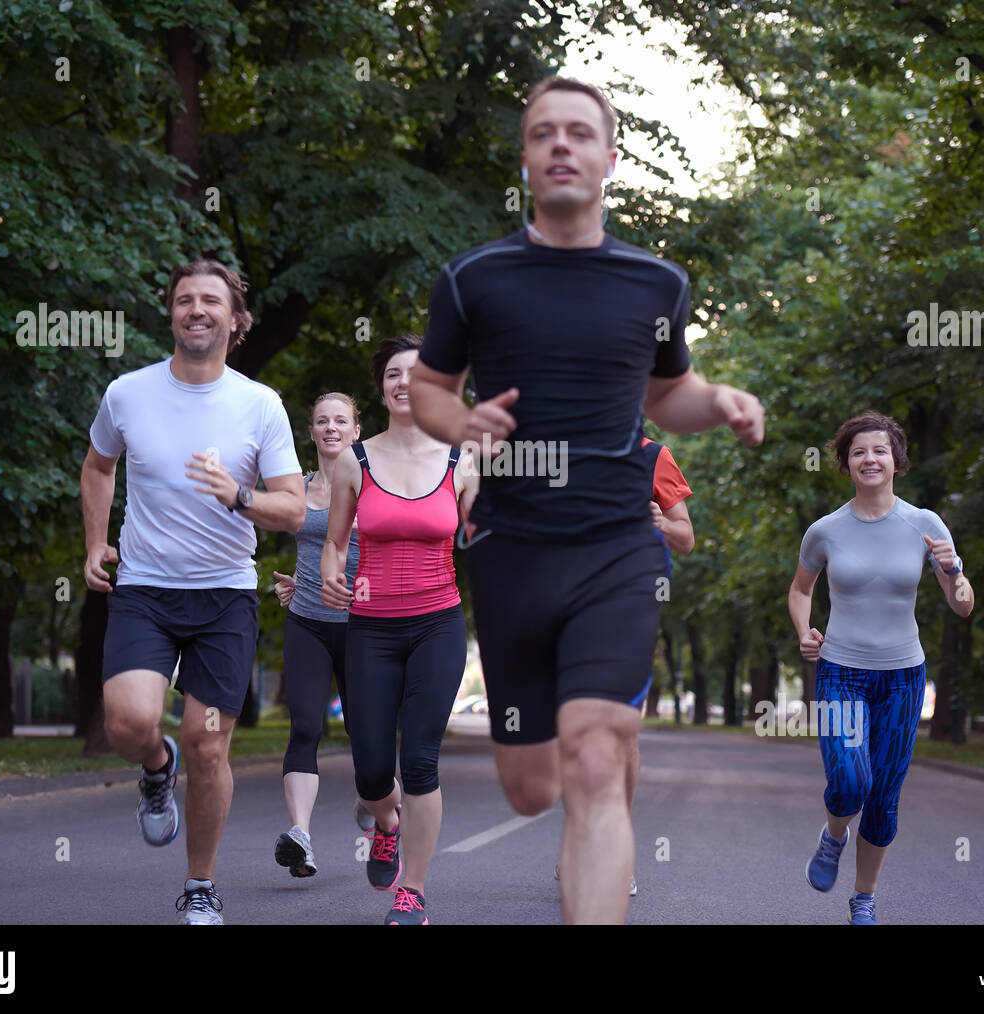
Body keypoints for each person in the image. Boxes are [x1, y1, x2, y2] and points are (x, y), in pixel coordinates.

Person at [409, 76, 764, 924]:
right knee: (533, 790)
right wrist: (464, 422)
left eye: (578, 133)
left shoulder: (656, 285)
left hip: (615, 546)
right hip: (512, 553)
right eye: (543, 134)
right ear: (527, 158)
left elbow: (666, 393)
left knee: (600, 758)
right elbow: (428, 388)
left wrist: (714, 403)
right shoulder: (473, 279)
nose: (561, 145)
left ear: (609, 157)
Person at [81, 259, 305, 925]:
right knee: (129, 723)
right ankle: (156, 766)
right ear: (172, 313)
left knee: (210, 745)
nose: (197, 310)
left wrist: (238, 495)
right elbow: (98, 465)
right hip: (146, 589)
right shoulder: (128, 393)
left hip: (224, 597)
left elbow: (293, 510)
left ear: (235, 321)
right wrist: (95, 542)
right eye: (185, 300)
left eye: (211, 301)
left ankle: (200, 885)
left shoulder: (260, 404)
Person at [788, 411, 974, 925]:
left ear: (896, 460)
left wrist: (954, 571)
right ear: (847, 464)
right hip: (841, 670)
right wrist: (805, 631)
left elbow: (963, 605)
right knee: (849, 781)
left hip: (903, 677)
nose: (870, 459)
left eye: (880, 450)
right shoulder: (825, 531)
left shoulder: (926, 524)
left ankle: (863, 899)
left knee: (885, 796)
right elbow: (801, 589)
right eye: (859, 452)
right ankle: (832, 837)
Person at [321, 334, 476, 926]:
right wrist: (333, 576)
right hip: (370, 629)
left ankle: (411, 892)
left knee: (420, 761)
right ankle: (386, 823)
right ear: (381, 386)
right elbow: (335, 546)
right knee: (368, 770)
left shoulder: (462, 459)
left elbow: (486, 536)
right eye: (392, 373)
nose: (404, 382)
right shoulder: (352, 461)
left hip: (437, 622)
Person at [553, 435, 694, 896]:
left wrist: (661, 522)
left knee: (622, 727)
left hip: (632, 600)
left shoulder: (654, 456)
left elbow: (686, 538)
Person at [270, 392, 363, 880]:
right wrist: (296, 579)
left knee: (363, 732)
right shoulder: (297, 489)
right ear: (311, 432)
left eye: (340, 420)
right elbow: (316, 549)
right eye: (322, 420)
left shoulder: (375, 486)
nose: (331, 427)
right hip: (306, 621)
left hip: (363, 628)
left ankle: (376, 803)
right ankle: (300, 836)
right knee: (305, 726)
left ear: (356, 431)